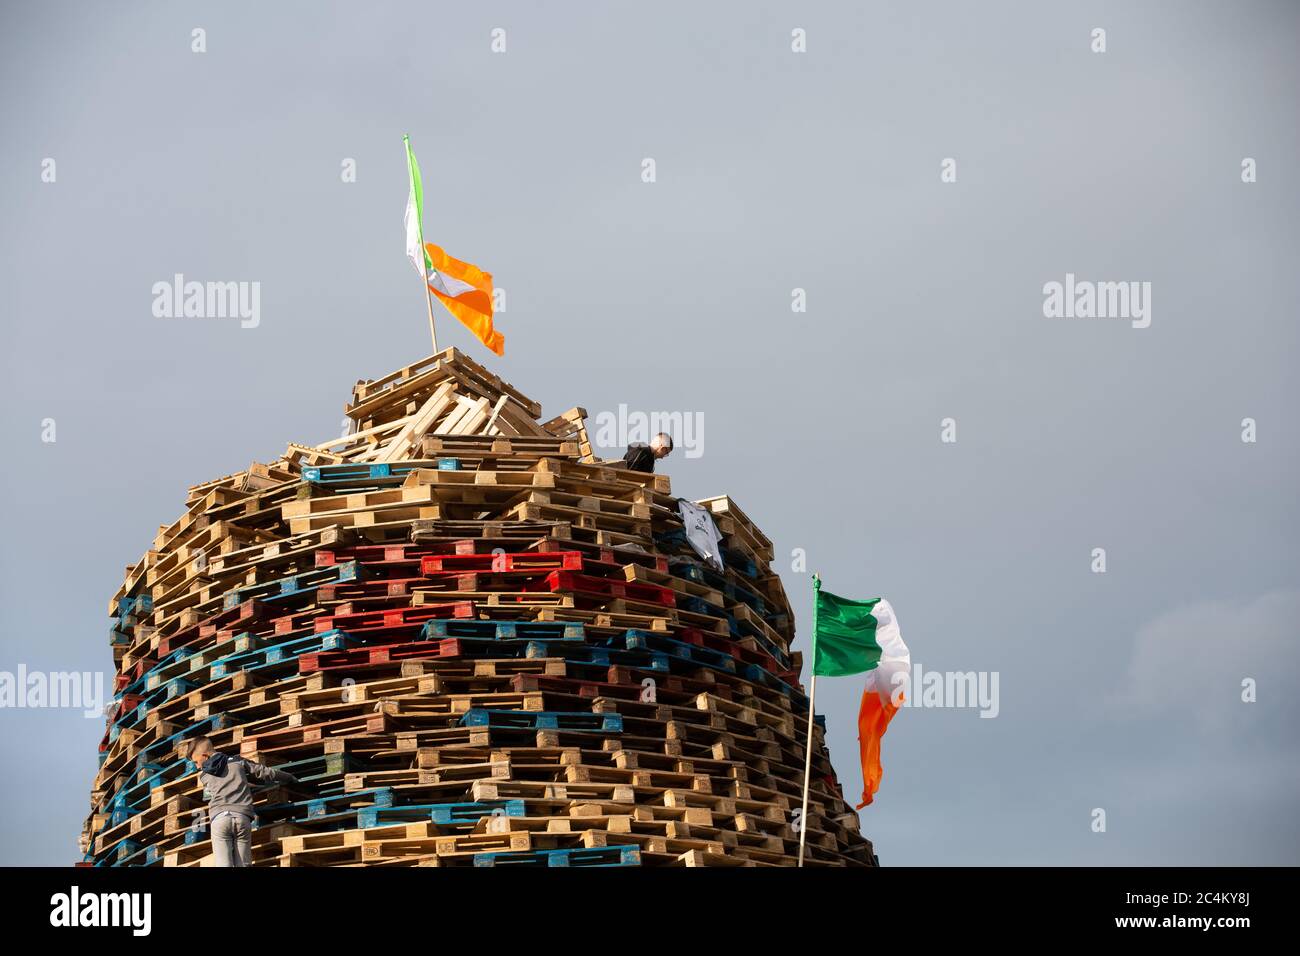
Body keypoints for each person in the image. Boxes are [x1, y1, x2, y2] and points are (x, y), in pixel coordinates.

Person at [186, 734, 299, 867]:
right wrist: (289, 777)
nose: (197, 766)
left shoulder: (204, 776)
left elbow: (220, 788)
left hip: (219, 820)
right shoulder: (237, 761)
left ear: (205, 756)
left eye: (196, 762)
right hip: (241, 817)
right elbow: (264, 772)